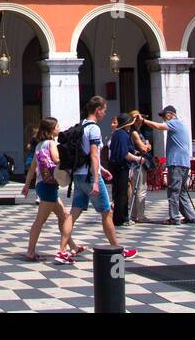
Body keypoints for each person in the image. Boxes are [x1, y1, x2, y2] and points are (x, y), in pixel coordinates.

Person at [56, 96, 137, 264]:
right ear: (97, 110)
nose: (105, 114)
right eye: (104, 110)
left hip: (78, 176)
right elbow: (93, 155)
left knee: (73, 213)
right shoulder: (94, 129)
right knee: (107, 212)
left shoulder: (81, 126)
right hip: (90, 176)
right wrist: (95, 179)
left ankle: (61, 251)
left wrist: (102, 169)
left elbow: (85, 156)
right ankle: (117, 249)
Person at [139, 105, 195, 224]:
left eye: (164, 116)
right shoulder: (181, 124)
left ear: (170, 114)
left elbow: (158, 126)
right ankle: (190, 216)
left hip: (176, 162)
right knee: (181, 191)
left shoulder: (174, 123)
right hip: (184, 162)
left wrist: (143, 121)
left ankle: (174, 217)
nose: (164, 119)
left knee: (173, 191)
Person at [21, 118, 68, 261]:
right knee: (40, 220)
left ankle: (71, 246)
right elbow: (56, 159)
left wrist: (27, 185)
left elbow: (32, 168)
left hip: (42, 184)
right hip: (49, 186)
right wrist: (67, 159)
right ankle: (30, 251)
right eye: (57, 126)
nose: (59, 128)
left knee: (64, 216)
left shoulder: (39, 145)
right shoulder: (51, 143)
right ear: (51, 129)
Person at [108, 113, 135, 226]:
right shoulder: (122, 135)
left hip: (116, 167)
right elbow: (125, 154)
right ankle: (121, 218)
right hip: (121, 167)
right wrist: (137, 159)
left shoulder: (117, 134)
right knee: (122, 193)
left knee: (119, 192)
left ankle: (121, 217)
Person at [128, 113, 153, 222]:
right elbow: (144, 148)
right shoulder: (134, 133)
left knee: (137, 189)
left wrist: (147, 146)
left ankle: (135, 214)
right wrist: (146, 146)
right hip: (138, 164)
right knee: (140, 190)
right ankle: (140, 215)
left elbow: (148, 146)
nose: (141, 121)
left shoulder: (139, 132)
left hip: (139, 163)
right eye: (138, 119)